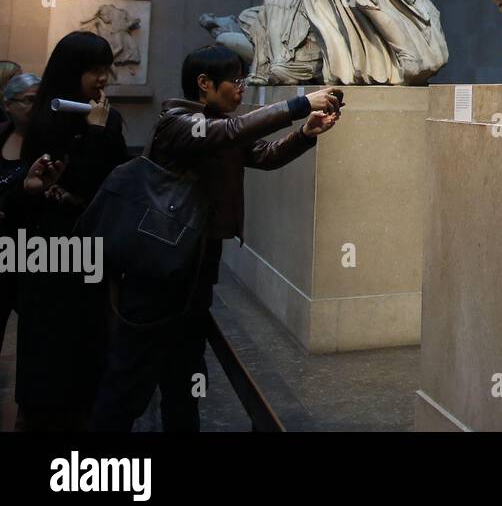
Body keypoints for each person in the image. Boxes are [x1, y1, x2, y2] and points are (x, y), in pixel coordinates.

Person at [91, 44, 340, 432]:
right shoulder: (177, 121)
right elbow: (232, 132)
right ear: (204, 84)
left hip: (198, 260)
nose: (241, 89)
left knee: (185, 369)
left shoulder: (220, 123)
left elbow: (265, 155)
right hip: (159, 267)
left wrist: (305, 134)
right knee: (130, 375)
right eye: (236, 81)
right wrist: (299, 104)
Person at [17, 32, 126, 431]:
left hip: (91, 245)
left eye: (106, 69)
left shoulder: (107, 118)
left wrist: (98, 131)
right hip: (49, 246)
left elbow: (106, 182)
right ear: (72, 71)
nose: (103, 79)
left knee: (87, 335)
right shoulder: (47, 116)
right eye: (94, 70)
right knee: (45, 337)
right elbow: (45, 185)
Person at [0, 72, 40, 356]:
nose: (35, 106)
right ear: (8, 104)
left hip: (34, 249)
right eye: (28, 100)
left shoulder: (47, 141)